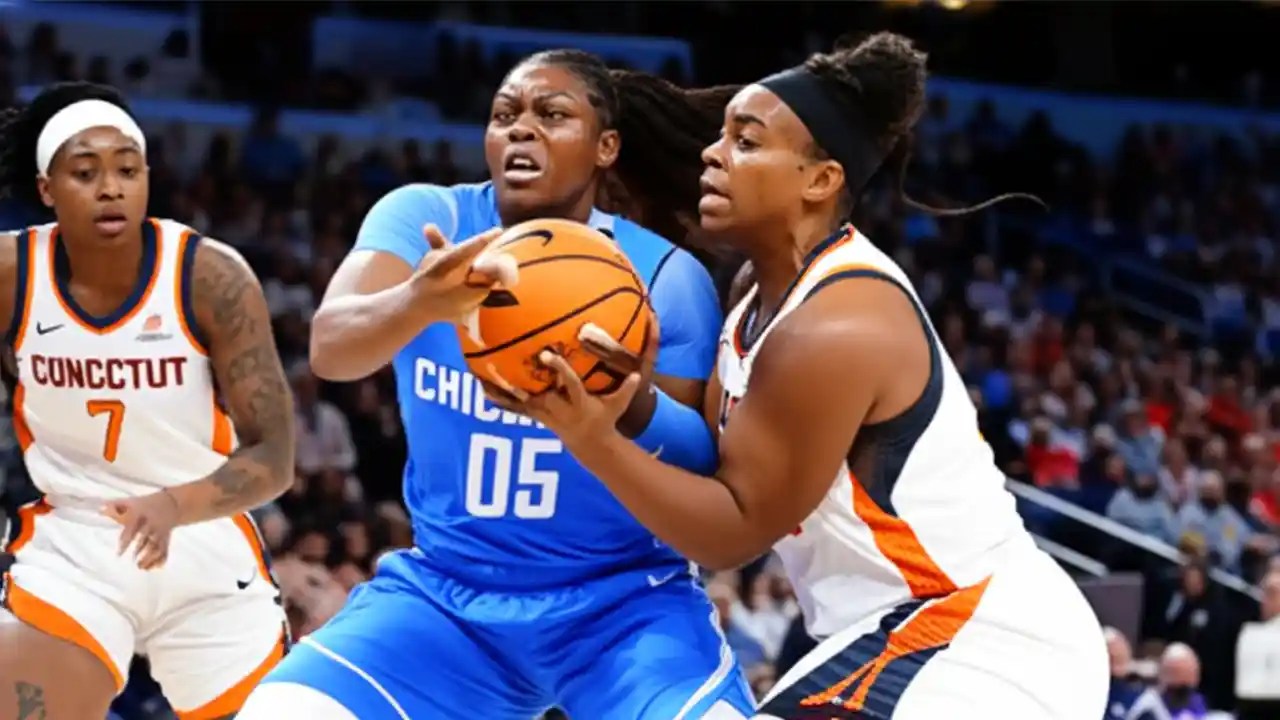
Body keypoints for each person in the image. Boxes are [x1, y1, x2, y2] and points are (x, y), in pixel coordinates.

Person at [506, 33, 1109, 719]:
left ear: (820, 180)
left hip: (977, 631)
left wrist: (592, 440)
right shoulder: (751, 300)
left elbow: (734, 533)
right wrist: (633, 404)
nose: (712, 152)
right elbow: (716, 464)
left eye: (746, 141)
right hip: (894, 632)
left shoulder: (835, 324)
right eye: (723, 135)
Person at [239, 50, 755, 719]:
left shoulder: (664, 277)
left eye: (552, 114)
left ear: (606, 147)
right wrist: (417, 303)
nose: (521, 129)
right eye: (505, 114)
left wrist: (629, 407)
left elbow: (700, 465)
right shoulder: (429, 221)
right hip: (449, 598)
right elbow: (332, 348)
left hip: (621, 605)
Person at [0, 82, 294, 719]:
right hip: (77, 543)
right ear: (47, 189)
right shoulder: (11, 274)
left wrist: (172, 505)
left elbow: (275, 457)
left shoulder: (210, 275)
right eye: (85, 172)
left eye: (127, 170)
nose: (111, 187)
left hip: (203, 539)